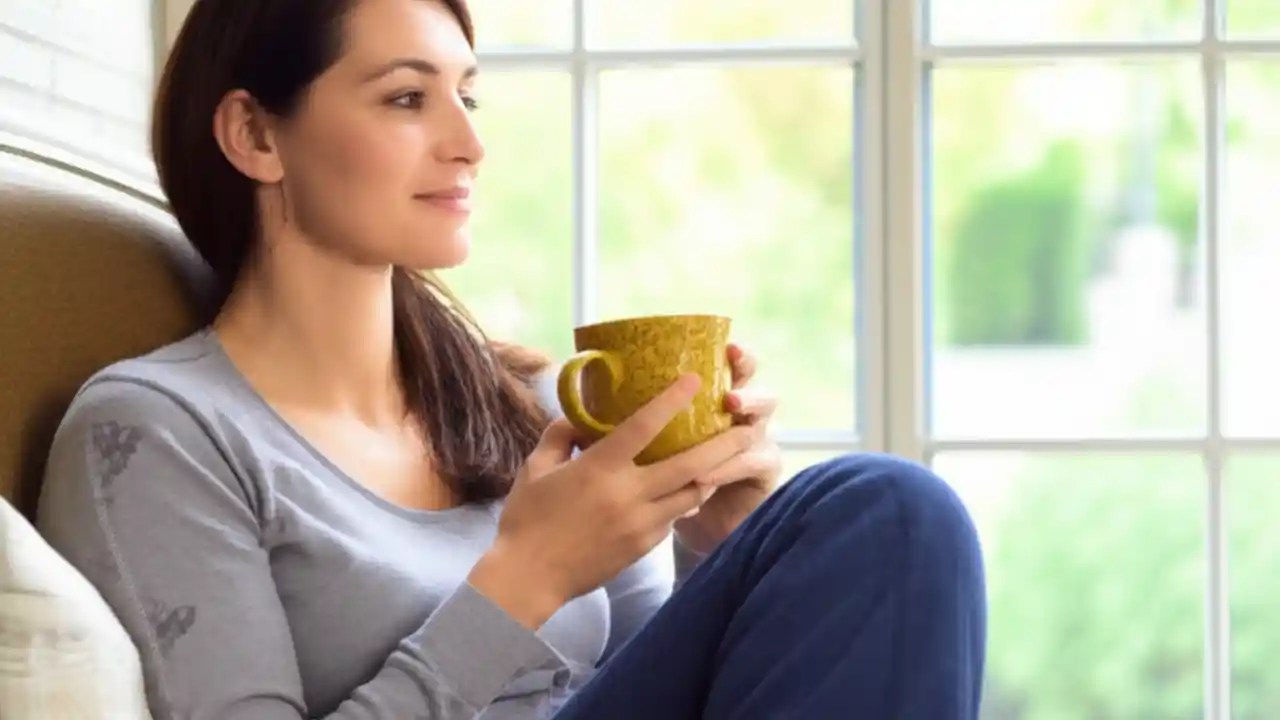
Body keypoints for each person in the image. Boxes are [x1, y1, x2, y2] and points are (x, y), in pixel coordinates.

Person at [36, 0, 987, 718]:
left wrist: (724, 542)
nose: (470, 142)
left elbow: (652, 681)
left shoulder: (520, 403)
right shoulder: (156, 432)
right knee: (891, 507)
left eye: (468, 94)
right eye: (408, 98)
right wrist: (523, 578)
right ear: (254, 134)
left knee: (884, 514)